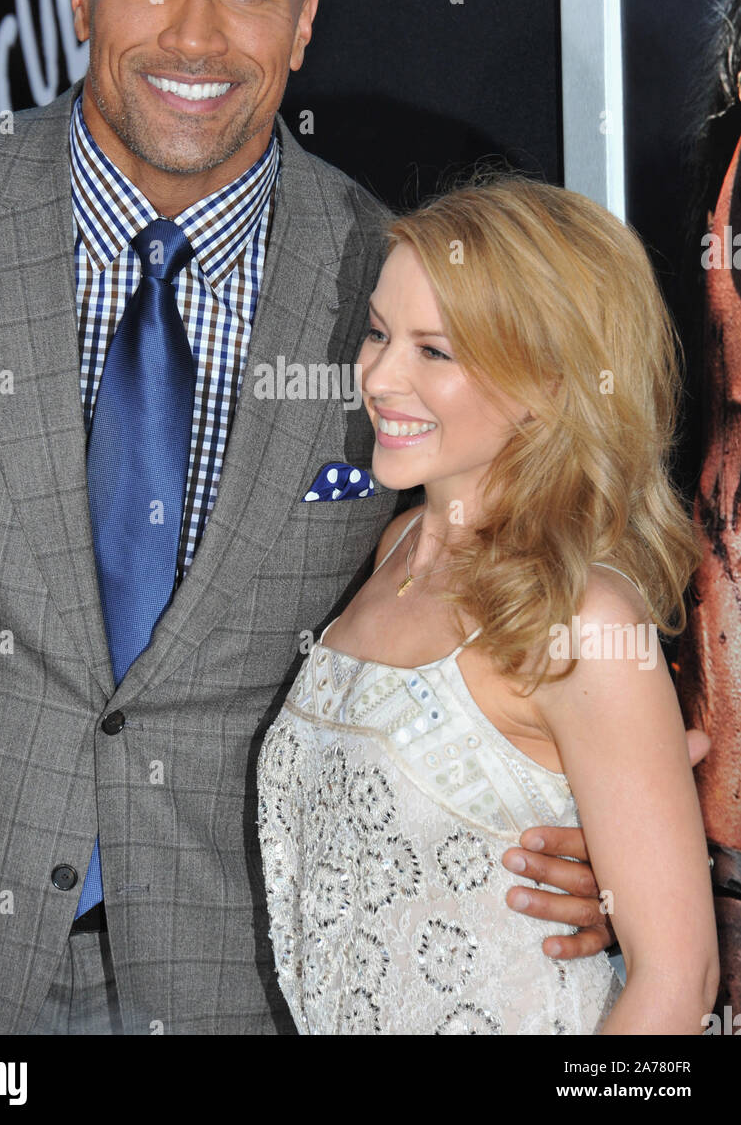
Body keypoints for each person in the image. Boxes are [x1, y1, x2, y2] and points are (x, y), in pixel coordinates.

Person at [0, 0, 698, 1035]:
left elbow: (546, 587)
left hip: (239, 987)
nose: (197, 37)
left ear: (303, 25)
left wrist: (594, 833)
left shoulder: (400, 278)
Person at [258, 174, 720, 1034]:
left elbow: (677, 983)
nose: (380, 378)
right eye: (377, 333)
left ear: (548, 381)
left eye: (435, 352)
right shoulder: (394, 546)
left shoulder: (581, 619)